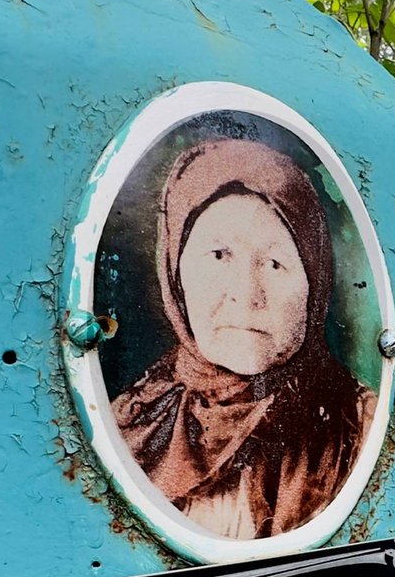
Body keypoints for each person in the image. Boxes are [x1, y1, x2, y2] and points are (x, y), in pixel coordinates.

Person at [111, 136, 377, 540]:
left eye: (275, 263)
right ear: (175, 272)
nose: (248, 294)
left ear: (314, 284)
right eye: (219, 255)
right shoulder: (133, 418)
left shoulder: (361, 427)